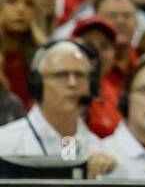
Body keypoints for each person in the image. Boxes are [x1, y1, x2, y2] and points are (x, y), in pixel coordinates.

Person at [0, 38, 117, 175]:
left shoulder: (103, 153)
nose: (72, 83)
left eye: (79, 75)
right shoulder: (5, 143)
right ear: (38, 83)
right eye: (61, 75)